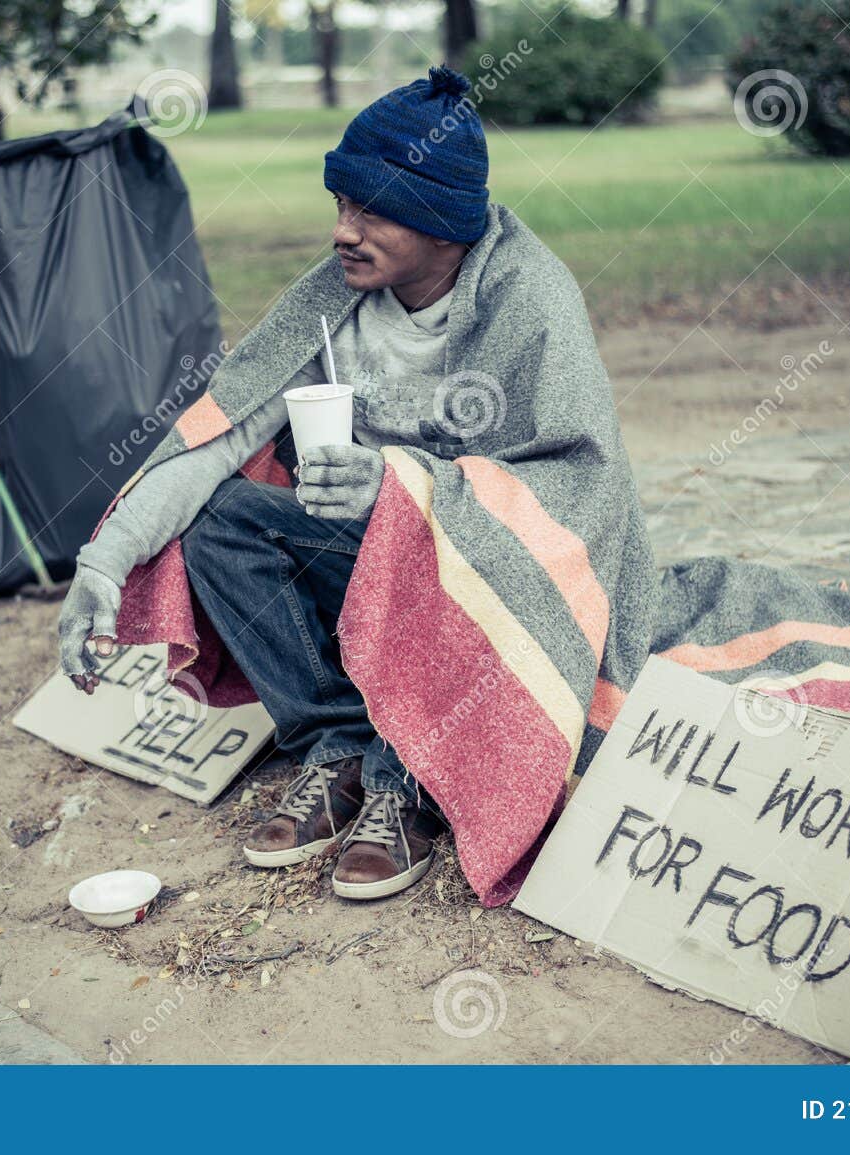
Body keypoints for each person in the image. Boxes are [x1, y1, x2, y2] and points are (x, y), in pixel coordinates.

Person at [59, 65, 615, 900]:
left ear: (441, 221)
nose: (342, 233)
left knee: (416, 526)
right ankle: (339, 738)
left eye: (371, 209)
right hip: (365, 547)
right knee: (222, 517)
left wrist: (406, 487)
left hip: (490, 580)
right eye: (340, 205)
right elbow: (218, 437)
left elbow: (578, 491)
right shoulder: (338, 299)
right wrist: (104, 562)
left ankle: (411, 779)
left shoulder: (529, 301)